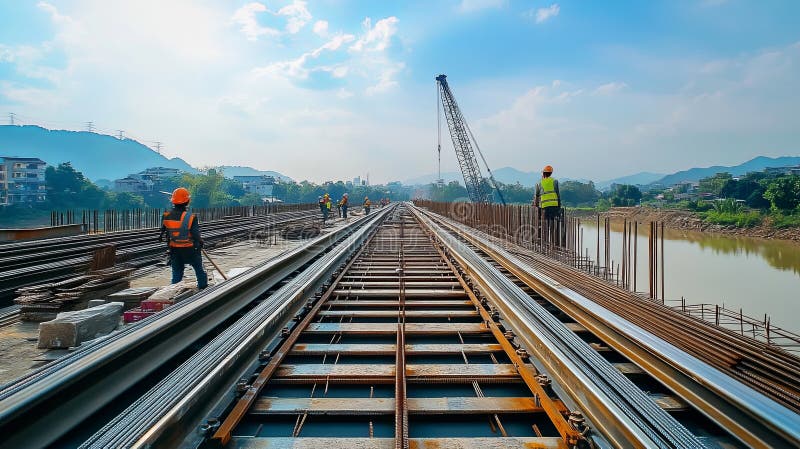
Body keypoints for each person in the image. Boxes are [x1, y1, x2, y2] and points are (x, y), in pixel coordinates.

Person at [159, 187, 208, 289]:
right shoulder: (191, 217)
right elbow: (195, 234)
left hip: (174, 250)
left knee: (177, 273)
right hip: (190, 249)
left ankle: (173, 291)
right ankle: (203, 288)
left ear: (173, 201)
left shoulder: (166, 216)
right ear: (187, 201)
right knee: (199, 270)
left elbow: (164, 232)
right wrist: (200, 242)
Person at [533, 165, 562, 244]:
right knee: (553, 223)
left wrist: (536, 206)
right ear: (550, 173)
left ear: (543, 173)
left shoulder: (539, 183)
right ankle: (554, 242)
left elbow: (536, 196)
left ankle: (544, 241)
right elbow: (558, 195)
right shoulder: (555, 181)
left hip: (544, 207)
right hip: (554, 206)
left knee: (545, 224)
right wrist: (559, 206)